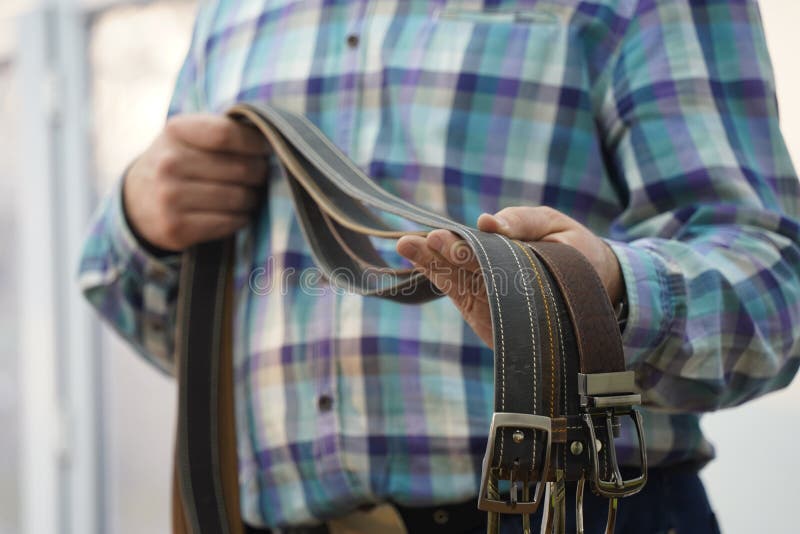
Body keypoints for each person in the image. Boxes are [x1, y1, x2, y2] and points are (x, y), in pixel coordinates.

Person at [78, 1, 800, 532]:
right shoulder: (227, 13)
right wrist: (143, 221)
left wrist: (600, 297)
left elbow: (776, 282)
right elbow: (189, 343)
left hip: (567, 512)